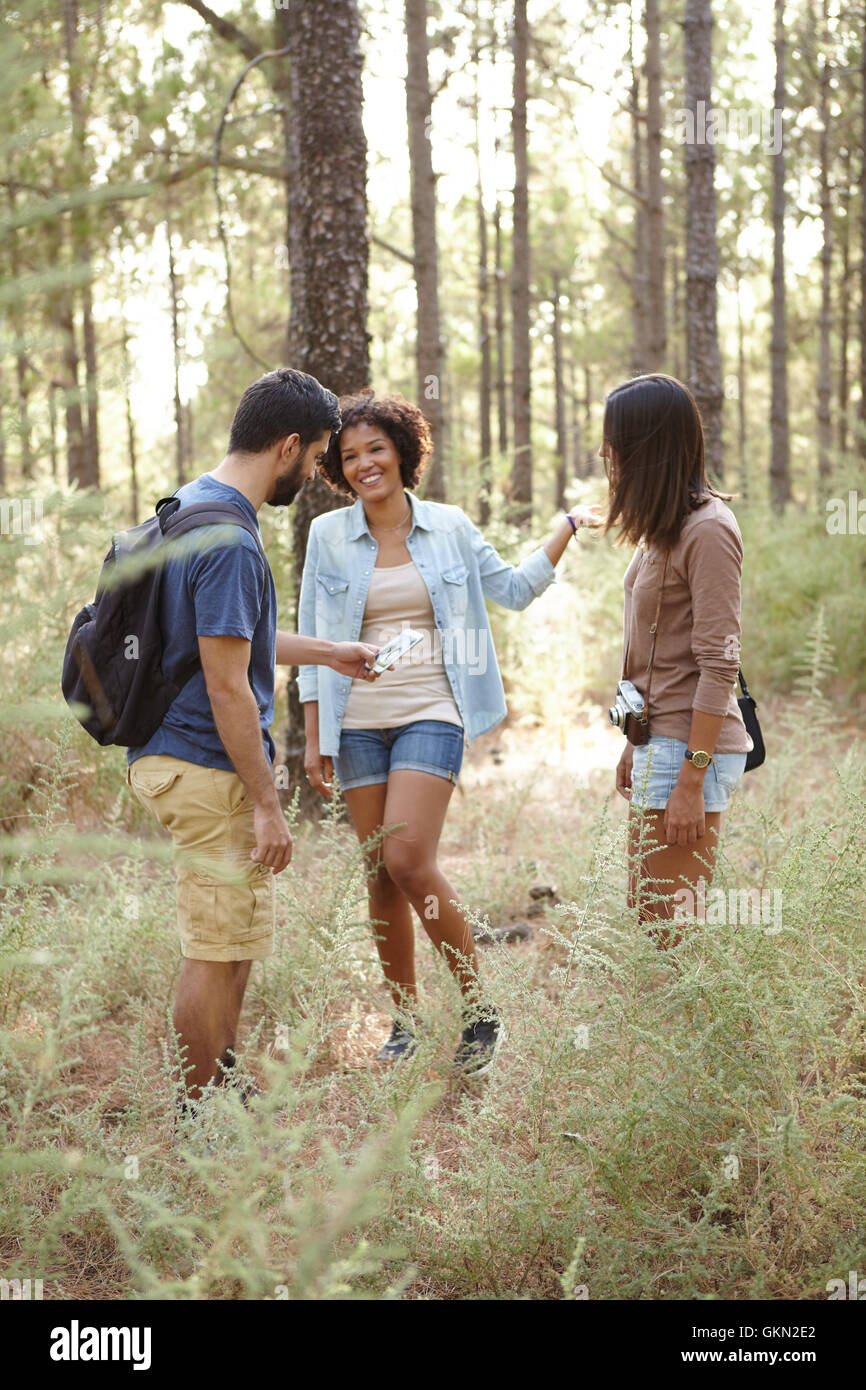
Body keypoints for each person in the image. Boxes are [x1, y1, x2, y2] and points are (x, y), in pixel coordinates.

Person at [298, 390, 600, 1074]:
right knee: (380, 876)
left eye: (376, 448)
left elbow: (517, 590)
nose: (365, 463)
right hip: (355, 725)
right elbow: (315, 638)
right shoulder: (327, 538)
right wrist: (317, 733)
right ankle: (403, 1021)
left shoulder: (451, 527)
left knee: (408, 860)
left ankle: (477, 1009)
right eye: (349, 456)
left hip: (432, 711)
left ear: (404, 453)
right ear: (338, 471)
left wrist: (567, 527)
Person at [126, 369, 379, 1115]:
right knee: (215, 945)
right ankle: (200, 1117)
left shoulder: (186, 507)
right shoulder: (232, 539)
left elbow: (231, 644)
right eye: (317, 457)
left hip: (173, 754)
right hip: (207, 762)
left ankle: (222, 1088)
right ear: (290, 445)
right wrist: (270, 805)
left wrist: (329, 651)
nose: (314, 475)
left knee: (233, 938)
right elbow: (228, 682)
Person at [605, 373, 753, 945]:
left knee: (672, 931)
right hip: (659, 739)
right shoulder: (661, 529)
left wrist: (690, 780)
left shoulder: (709, 530)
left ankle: (711, 1033)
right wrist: (632, 739)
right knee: (652, 917)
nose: (605, 454)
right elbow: (653, 652)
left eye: (614, 444)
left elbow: (719, 664)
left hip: (691, 749)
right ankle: (668, 1030)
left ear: (647, 448)